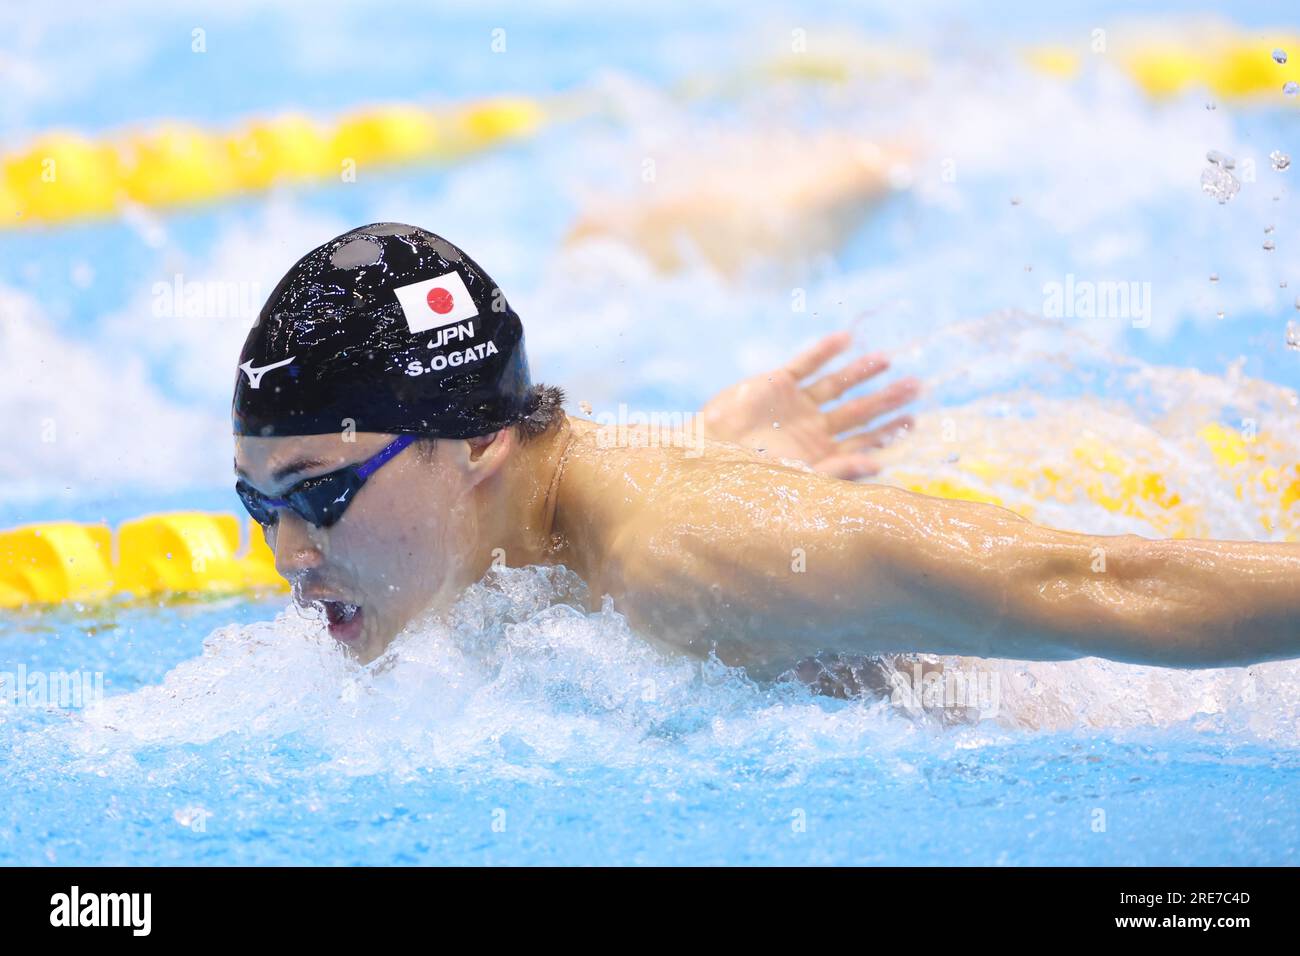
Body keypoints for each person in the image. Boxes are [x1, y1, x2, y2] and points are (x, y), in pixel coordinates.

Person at [232, 224, 1299, 674]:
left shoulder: (690, 558)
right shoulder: (533, 509)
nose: (287, 553)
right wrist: (707, 444)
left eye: (318, 496)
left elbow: (1092, 576)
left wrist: (723, 492)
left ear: (475, 444)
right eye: (256, 503)